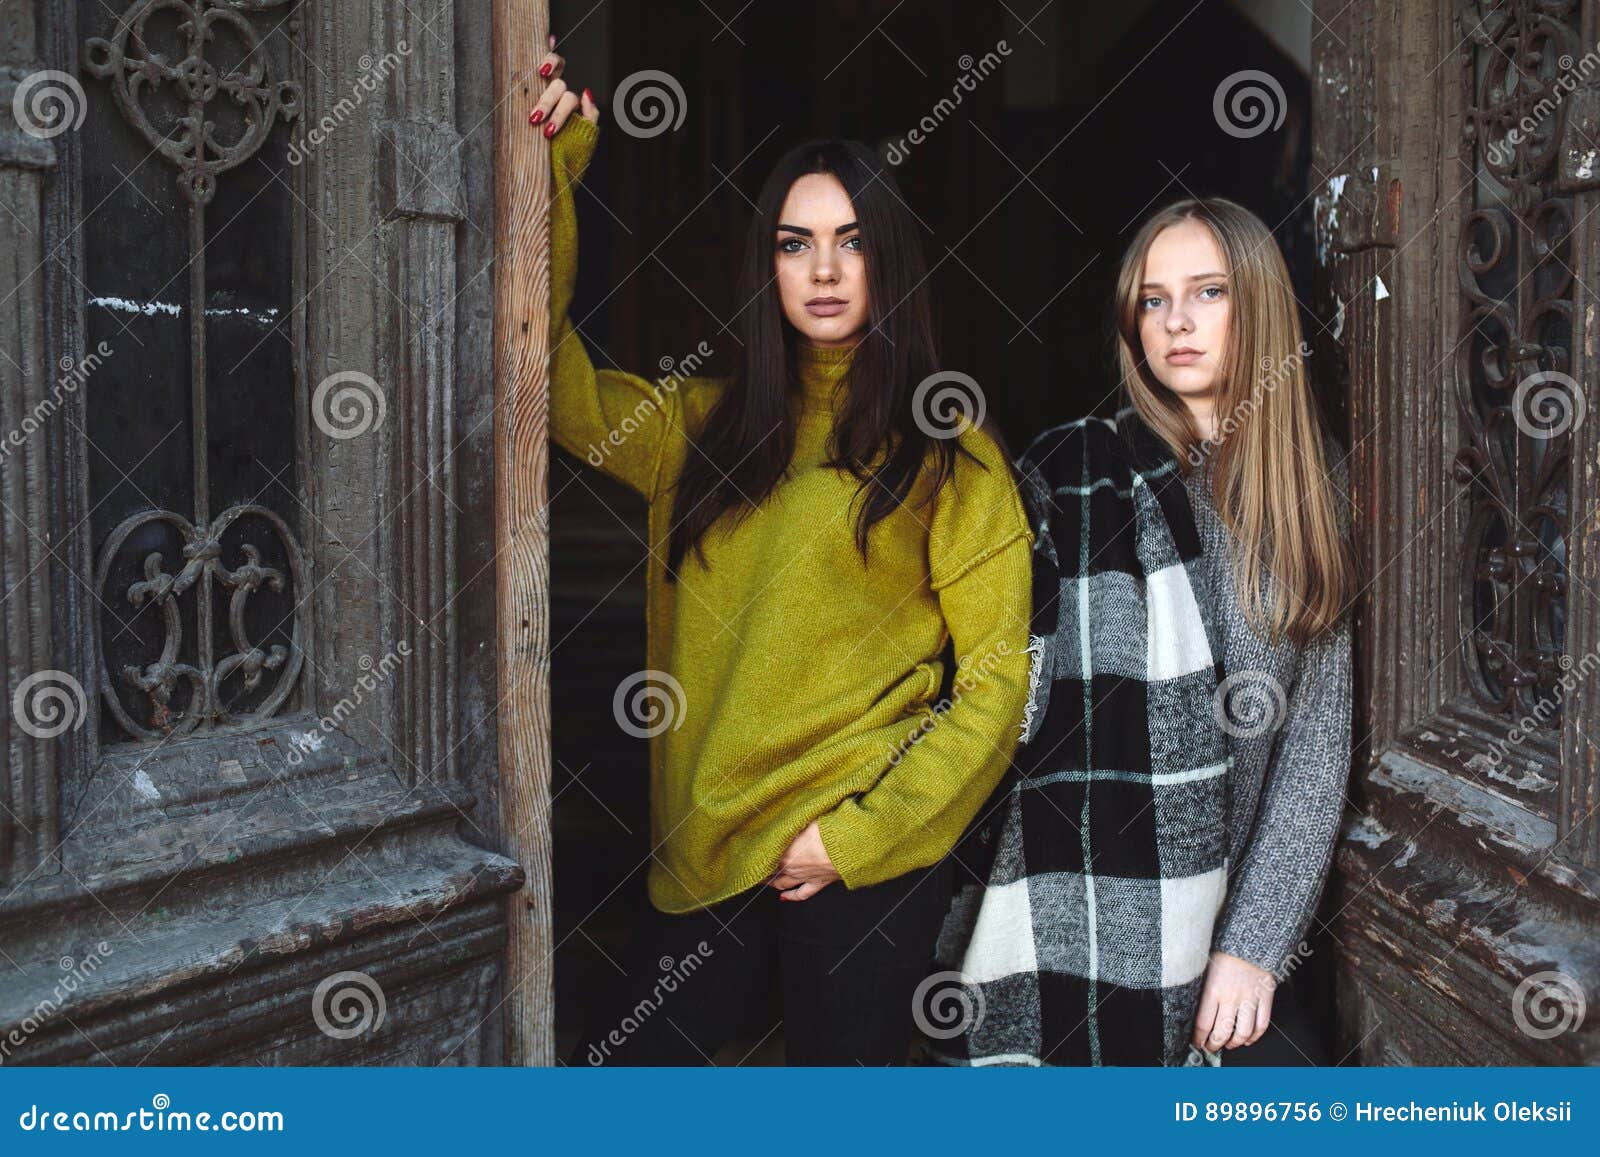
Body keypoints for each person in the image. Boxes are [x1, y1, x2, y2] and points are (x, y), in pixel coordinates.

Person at [534, 39, 1035, 1066]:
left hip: (858, 862)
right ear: (764, 260)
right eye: (793, 241)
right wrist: (553, 163)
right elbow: (548, 378)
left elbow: (995, 679)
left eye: (850, 241)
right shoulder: (699, 431)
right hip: (702, 849)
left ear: (888, 257)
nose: (821, 268)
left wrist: (851, 838)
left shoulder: (949, 453)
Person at [1117, 198, 1353, 1064]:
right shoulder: (1100, 478)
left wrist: (1254, 942)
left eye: (1208, 292)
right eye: (1153, 299)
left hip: (1232, 924)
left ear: (1256, 304)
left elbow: (1316, 745)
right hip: (1109, 899)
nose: (1176, 321)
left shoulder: (1310, 489)